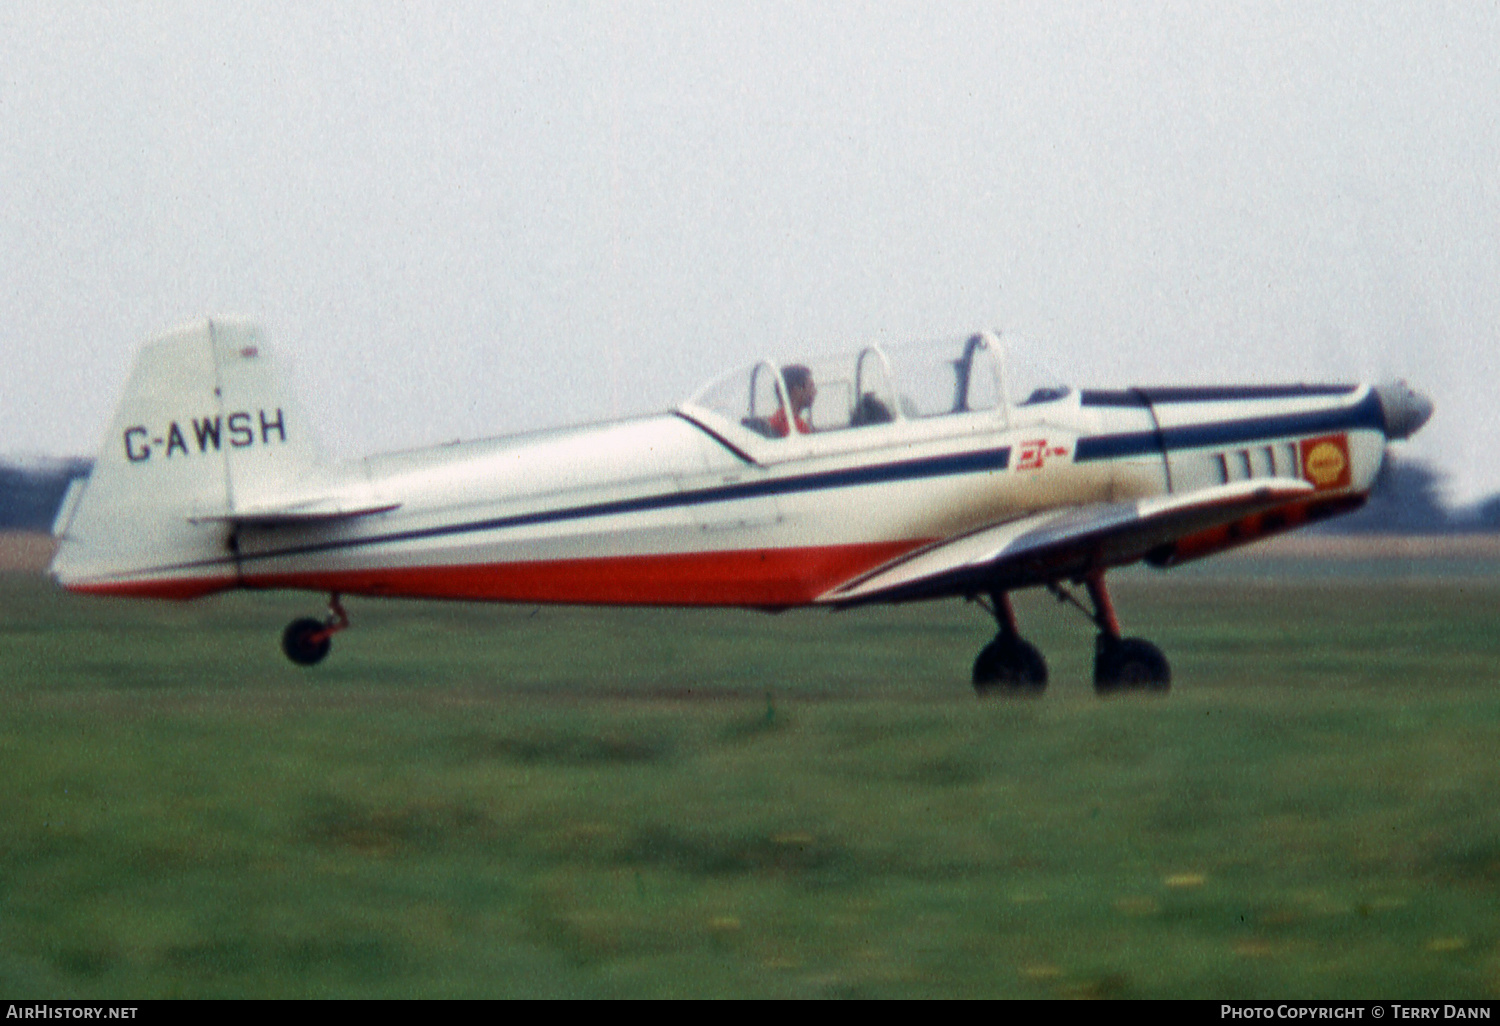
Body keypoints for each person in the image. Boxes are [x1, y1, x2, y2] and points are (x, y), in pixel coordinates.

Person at [767, 364, 816, 437]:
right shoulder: (796, 427)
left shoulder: (776, 420)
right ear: (796, 391)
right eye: (811, 387)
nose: (815, 391)